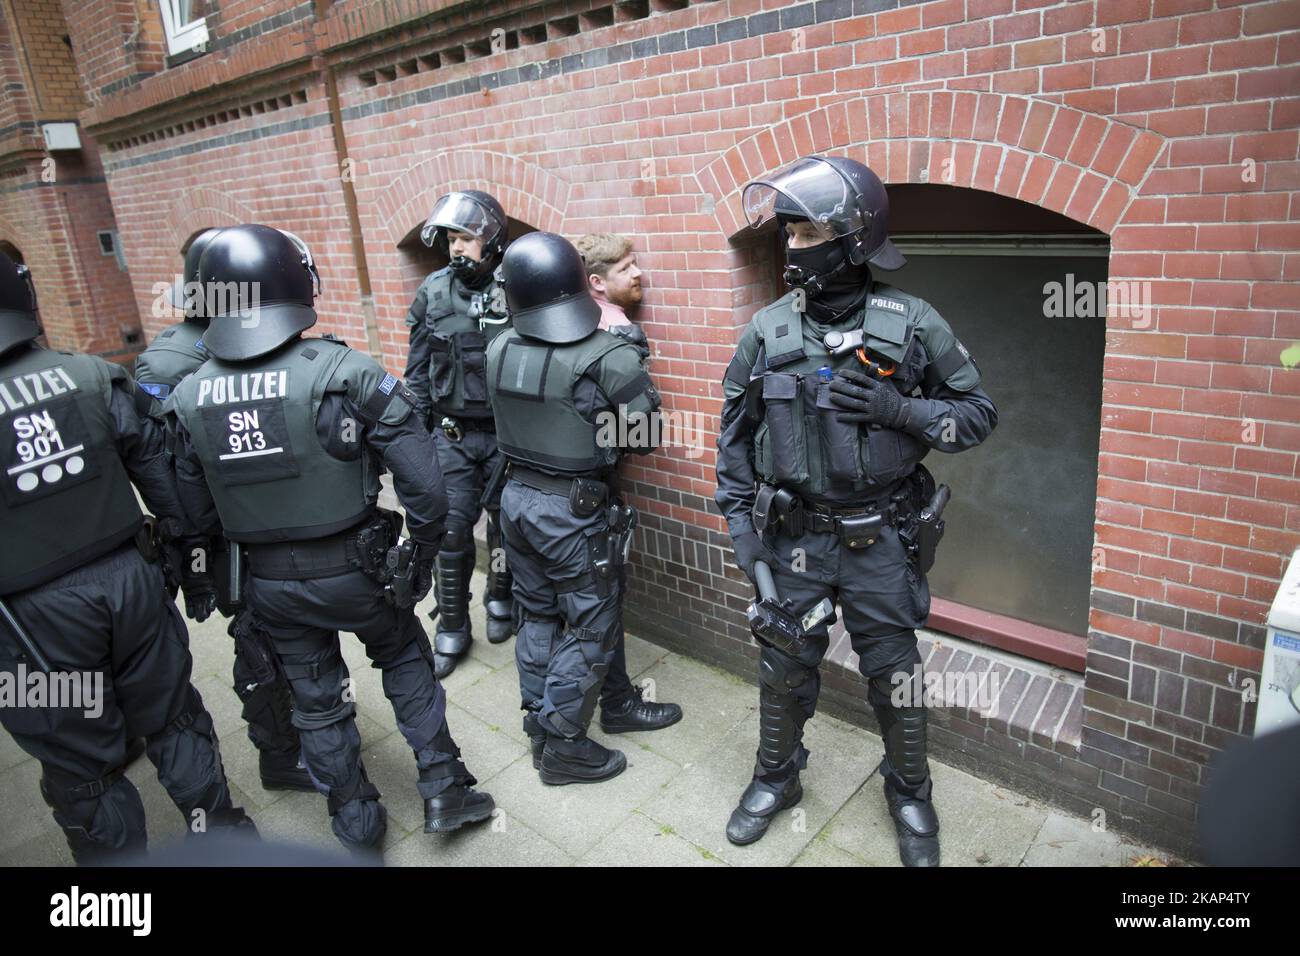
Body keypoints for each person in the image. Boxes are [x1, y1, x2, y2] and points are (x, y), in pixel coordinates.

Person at [164, 224, 494, 854]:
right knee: (402, 660)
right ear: (294, 283)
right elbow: (426, 487)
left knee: (316, 698)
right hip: (360, 569)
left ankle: (355, 818)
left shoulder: (185, 398)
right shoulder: (348, 372)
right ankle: (445, 785)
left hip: (269, 583)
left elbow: (189, 509)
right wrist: (418, 558)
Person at [715, 156, 998, 865]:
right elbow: (733, 443)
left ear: (853, 238)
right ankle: (776, 778)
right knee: (783, 667)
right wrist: (743, 533)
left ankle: (908, 791)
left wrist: (900, 408)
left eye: (807, 231)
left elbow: (978, 417)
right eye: (788, 231)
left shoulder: (913, 323)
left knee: (895, 673)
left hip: (880, 541)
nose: (792, 246)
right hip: (794, 540)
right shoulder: (768, 332)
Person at [0, 249, 253, 863]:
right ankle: (217, 841)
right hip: (130, 583)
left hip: (29, 623)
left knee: (81, 764)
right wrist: (188, 554)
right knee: (172, 717)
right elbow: (161, 477)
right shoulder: (91, 374)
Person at [135, 226, 312, 793]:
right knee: (257, 642)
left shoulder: (245, 336)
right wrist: (193, 553)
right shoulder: (169, 365)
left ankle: (304, 727)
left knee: (286, 634)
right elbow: (165, 473)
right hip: (222, 534)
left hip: (268, 515)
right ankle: (280, 752)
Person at [486, 232, 663, 783]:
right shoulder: (607, 355)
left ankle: (540, 724)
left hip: (514, 502)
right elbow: (645, 434)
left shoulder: (496, 346)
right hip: (572, 512)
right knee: (591, 625)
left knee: (537, 615)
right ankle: (564, 744)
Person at [572, 233, 681, 734]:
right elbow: (638, 436)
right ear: (596, 283)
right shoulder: (617, 336)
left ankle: (549, 724)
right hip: (586, 496)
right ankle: (614, 706)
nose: (639, 275)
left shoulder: (548, 328)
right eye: (625, 268)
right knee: (601, 602)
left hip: (528, 495)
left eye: (637, 264)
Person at [403, 191, 516, 679]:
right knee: (449, 531)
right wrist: (416, 439)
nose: (457, 249)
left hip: (506, 436)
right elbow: (417, 370)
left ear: (490, 240)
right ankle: (451, 623)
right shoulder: (431, 291)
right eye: (451, 239)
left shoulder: (516, 287)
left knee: (505, 528)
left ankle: (500, 596)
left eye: (466, 238)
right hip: (450, 435)